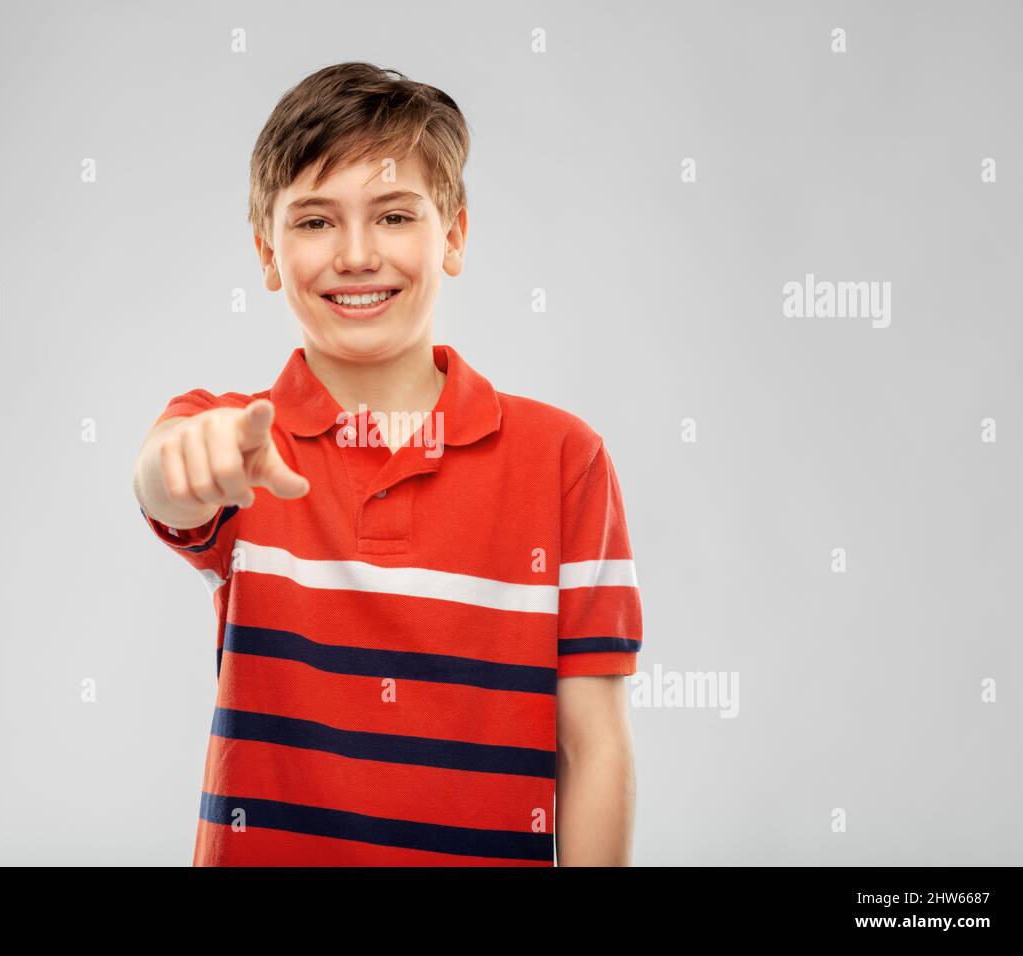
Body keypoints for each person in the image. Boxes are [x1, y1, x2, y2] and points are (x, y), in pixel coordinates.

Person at [132, 62, 643, 866]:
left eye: (395, 215)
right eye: (314, 222)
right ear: (268, 253)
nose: (357, 254)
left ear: (456, 236)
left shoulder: (563, 460)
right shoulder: (233, 438)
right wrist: (182, 465)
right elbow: (168, 479)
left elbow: (594, 748)